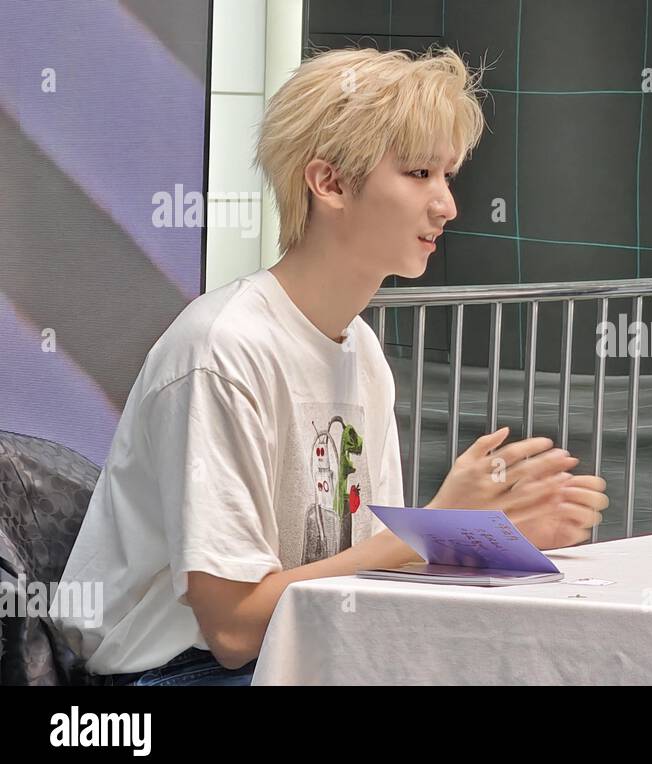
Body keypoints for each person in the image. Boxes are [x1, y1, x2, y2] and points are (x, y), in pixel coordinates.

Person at [55, 48, 609, 685]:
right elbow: (234, 629)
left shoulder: (363, 353)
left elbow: (368, 575)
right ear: (331, 184)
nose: (448, 205)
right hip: (180, 676)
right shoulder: (222, 350)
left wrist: (489, 535)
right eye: (420, 172)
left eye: (447, 175)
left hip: (307, 654)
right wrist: (436, 528)